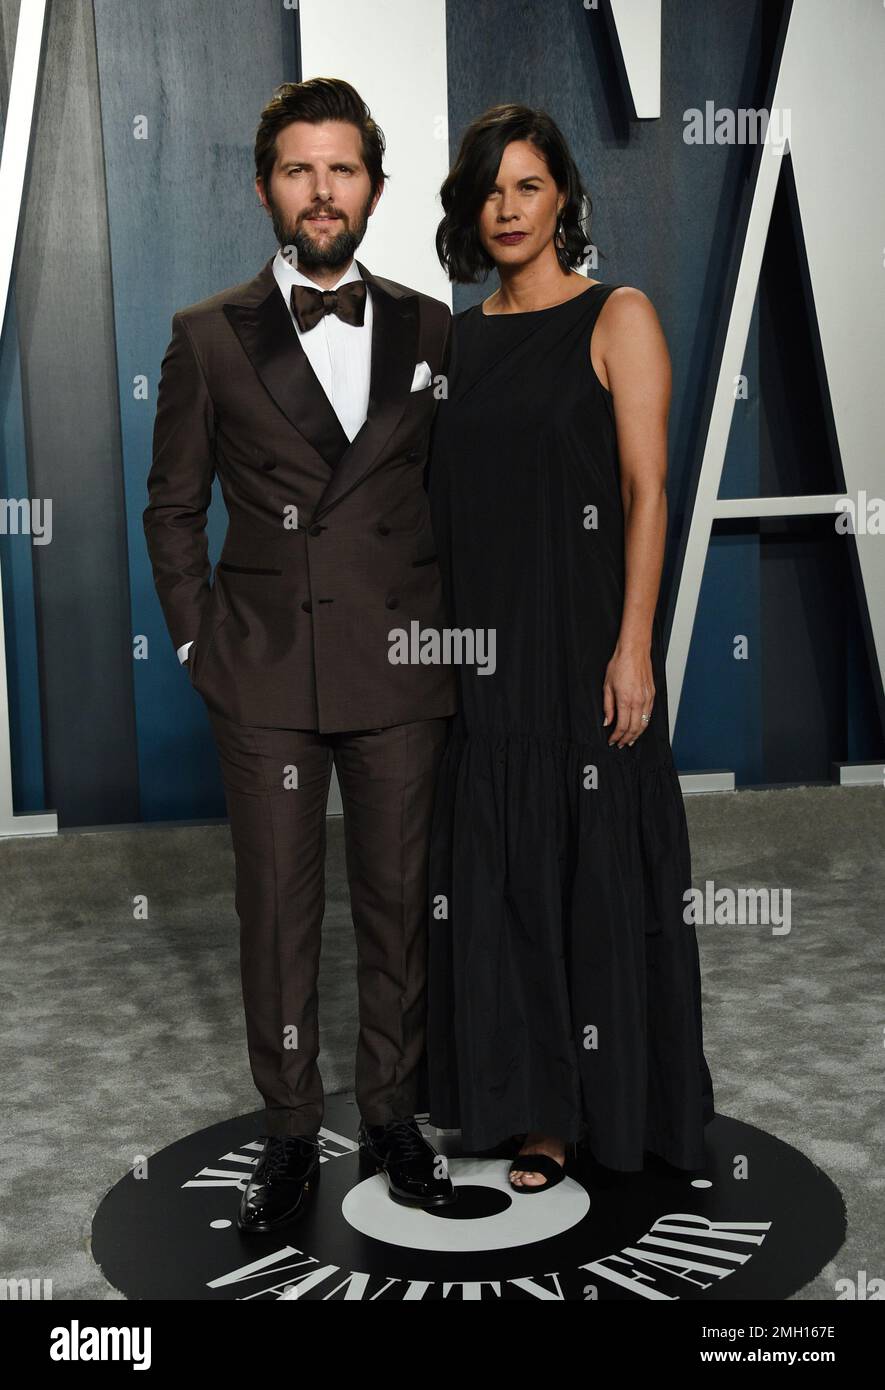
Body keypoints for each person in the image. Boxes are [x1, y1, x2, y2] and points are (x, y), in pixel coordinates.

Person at [144, 77, 457, 1231]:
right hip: (265, 669)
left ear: (372, 183)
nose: (322, 191)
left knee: (395, 899)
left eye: (343, 169)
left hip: (399, 666)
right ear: (267, 185)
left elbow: (450, 500)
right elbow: (170, 507)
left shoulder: (432, 327)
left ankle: (391, 1111)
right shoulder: (204, 337)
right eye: (298, 169)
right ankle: (287, 1132)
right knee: (274, 912)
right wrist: (198, 640)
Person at [425, 104, 715, 1192]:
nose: (507, 207)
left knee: (596, 877)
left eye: (529, 186)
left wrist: (634, 643)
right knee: (507, 883)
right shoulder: (456, 340)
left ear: (564, 202)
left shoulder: (617, 314)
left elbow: (647, 492)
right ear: (468, 207)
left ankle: (620, 1104)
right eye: (490, 189)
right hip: (489, 666)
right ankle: (536, 1111)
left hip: (589, 649)